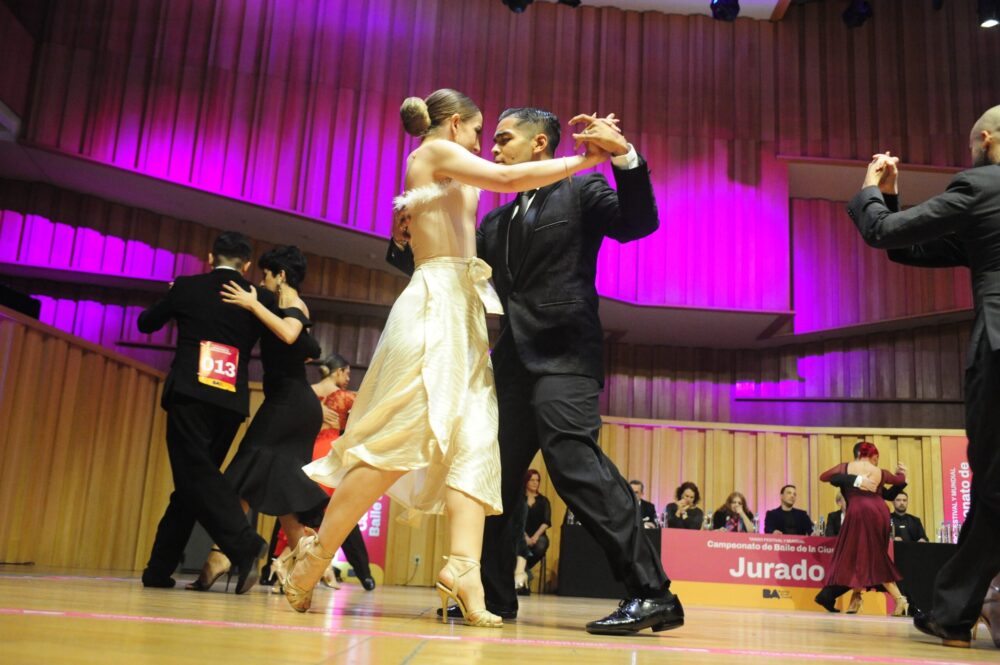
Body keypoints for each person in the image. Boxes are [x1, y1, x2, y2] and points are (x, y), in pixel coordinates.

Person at [281, 89, 609, 628]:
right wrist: (586, 159)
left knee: (477, 441)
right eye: (479, 132)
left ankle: (463, 570)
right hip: (433, 307)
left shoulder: (448, 167)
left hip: (464, 312)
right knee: (398, 436)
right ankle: (314, 555)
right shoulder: (430, 154)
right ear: (456, 124)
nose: (484, 144)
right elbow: (505, 180)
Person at [390, 104, 681, 635]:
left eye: (503, 139)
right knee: (489, 476)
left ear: (539, 146)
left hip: (567, 354)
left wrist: (625, 157)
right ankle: (495, 597)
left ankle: (651, 592)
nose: (492, 149)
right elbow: (450, 270)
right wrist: (405, 240)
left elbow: (641, 222)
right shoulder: (497, 219)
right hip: (510, 364)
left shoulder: (583, 192)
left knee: (572, 463)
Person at [847, 106, 1000, 648]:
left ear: (985, 140)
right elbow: (911, 248)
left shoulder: (982, 184)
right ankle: (954, 612)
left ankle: (956, 612)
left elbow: (883, 233)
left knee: (993, 484)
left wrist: (872, 188)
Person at [187, 246, 328, 593]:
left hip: (290, 404)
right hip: (290, 402)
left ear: (280, 275)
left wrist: (252, 304)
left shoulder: (293, 304)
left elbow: (291, 334)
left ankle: (222, 554)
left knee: (243, 470)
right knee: (283, 487)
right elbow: (305, 346)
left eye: (266, 274)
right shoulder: (271, 302)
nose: (262, 281)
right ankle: (305, 570)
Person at [137, 231, 269, 593]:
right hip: (229, 402)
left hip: (190, 395)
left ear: (210, 258)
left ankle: (245, 545)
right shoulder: (256, 298)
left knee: (195, 477)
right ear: (246, 266)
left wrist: (173, 293)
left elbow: (145, 324)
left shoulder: (187, 287)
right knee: (192, 484)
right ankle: (158, 569)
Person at [817, 442, 909, 616]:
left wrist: (854, 479)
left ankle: (900, 600)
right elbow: (896, 484)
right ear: (872, 455)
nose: (876, 461)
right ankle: (856, 598)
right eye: (877, 457)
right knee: (863, 556)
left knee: (870, 557)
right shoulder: (879, 472)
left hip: (860, 512)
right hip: (880, 512)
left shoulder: (845, 467)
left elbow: (824, 476)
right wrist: (902, 474)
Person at [309, 353, 375, 590]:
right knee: (341, 512)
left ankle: (274, 567)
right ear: (338, 371)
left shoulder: (309, 393)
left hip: (305, 451)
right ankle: (363, 573)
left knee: (298, 511)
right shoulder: (344, 396)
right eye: (346, 373)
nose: (348, 377)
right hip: (328, 451)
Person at [513, 469, 551, 595]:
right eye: (532, 480)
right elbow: (516, 521)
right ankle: (525, 575)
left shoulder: (543, 501)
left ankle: (522, 571)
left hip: (538, 535)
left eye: (537, 480)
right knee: (518, 543)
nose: (535, 483)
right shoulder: (519, 499)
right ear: (526, 482)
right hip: (520, 534)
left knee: (541, 545)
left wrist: (534, 537)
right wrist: (525, 536)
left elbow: (546, 522)